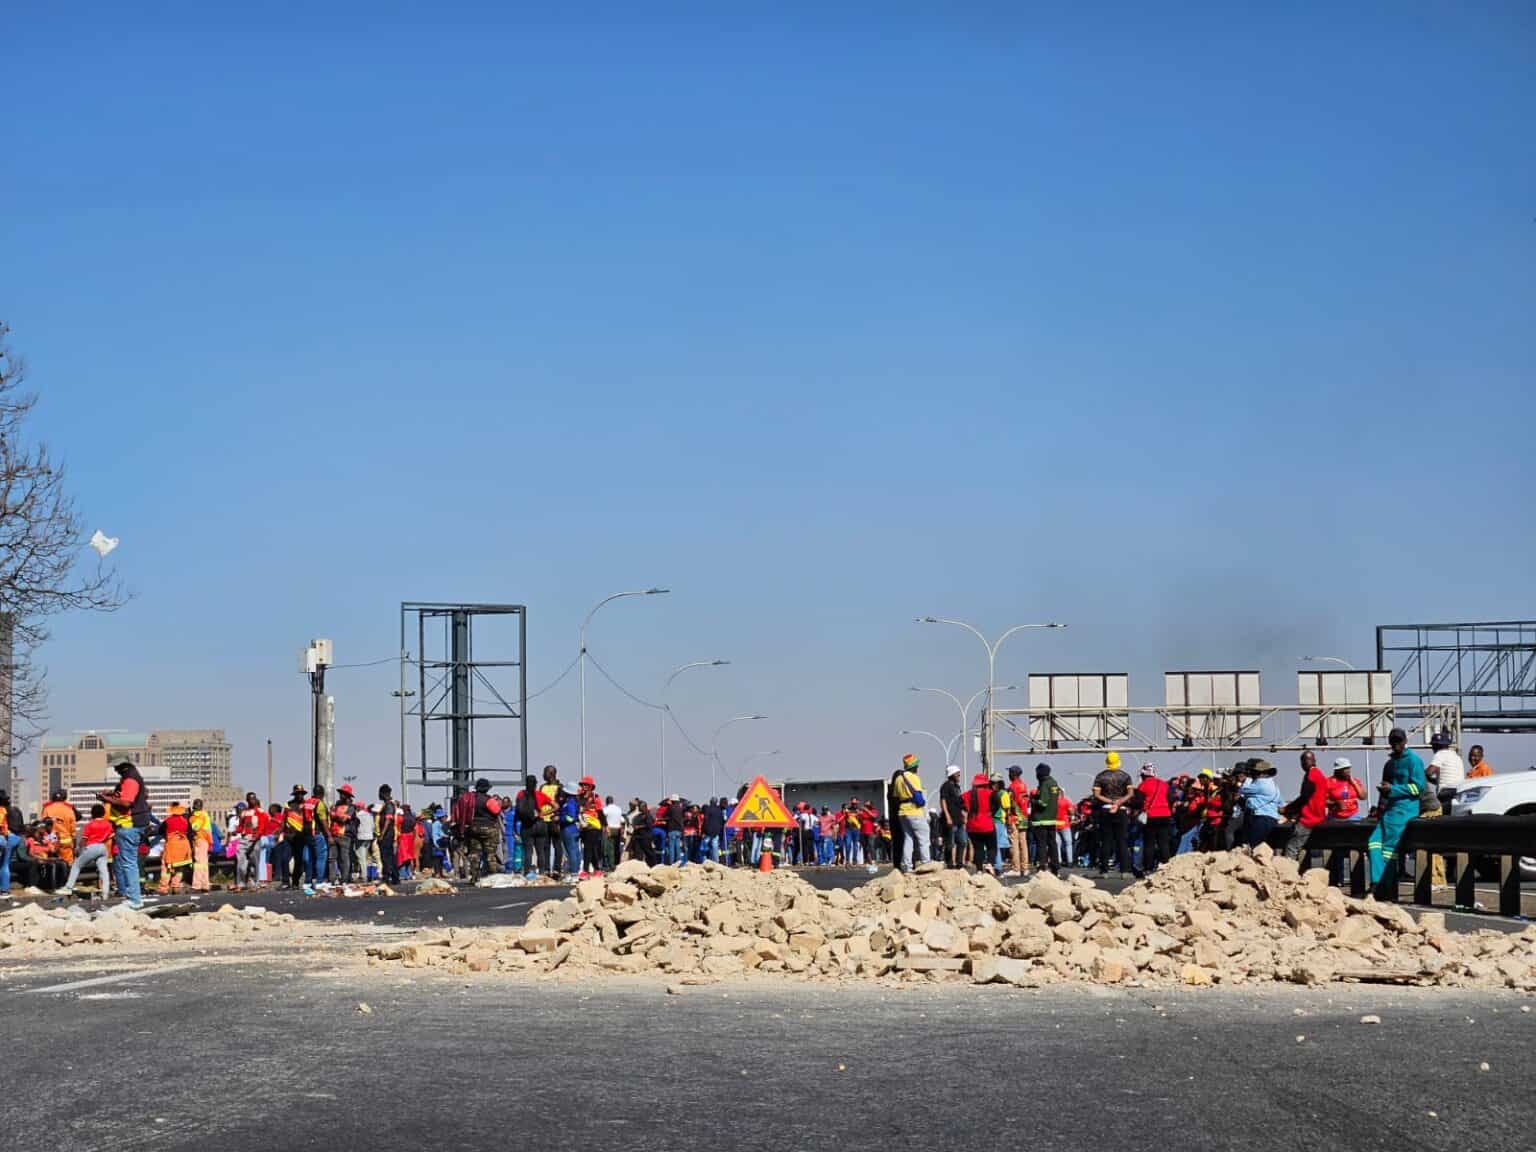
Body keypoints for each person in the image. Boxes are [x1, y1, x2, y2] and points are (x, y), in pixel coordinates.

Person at [1367, 728, 1427, 898]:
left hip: (1405, 809)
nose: (1396, 744)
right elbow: (1384, 788)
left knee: (1388, 850)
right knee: (1373, 843)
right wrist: (1380, 806)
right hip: (1389, 810)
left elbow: (1418, 787)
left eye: (1399, 741)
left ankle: (1382, 887)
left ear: (1405, 741)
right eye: (1393, 741)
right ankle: (1378, 882)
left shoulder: (1414, 761)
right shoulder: (1390, 763)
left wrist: (1394, 789)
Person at [97, 760, 152, 910]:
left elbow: (126, 802)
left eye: (117, 768)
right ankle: (134, 896)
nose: (115, 771)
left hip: (128, 825)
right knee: (130, 862)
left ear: (123, 767)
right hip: (133, 825)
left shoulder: (130, 780)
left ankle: (134, 899)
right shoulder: (132, 778)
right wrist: (113, 794)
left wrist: (106, 799)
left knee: (128, 863)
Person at [1282, 751, 1331, 863]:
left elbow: (1305, 797)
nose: (1303, 763)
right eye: (1303, 761)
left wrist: (1287, 808)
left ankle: (1288, 874)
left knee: (1291, 848)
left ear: (1313, 761)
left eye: (1305, 760)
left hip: (1308, 818)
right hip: (1318, 816)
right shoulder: (1319, 774)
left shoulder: (1311, 775)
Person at [1091, 751, 1135, 877]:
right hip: (1121, 810)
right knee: (1122, 840)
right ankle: (1125, 871)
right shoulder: (1125, 776)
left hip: (1105, 810)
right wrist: (1119, 802)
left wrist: (1110, 801)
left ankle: (1104, 870)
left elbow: (1097, 795)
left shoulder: (1100, 777)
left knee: (1106, 841)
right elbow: (1131, 793)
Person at [57, 803, 115, 899]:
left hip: (91, 847)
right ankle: (105, 892)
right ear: (103, 813)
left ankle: (68, 887)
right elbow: (112, 835)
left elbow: (84, 840)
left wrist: (78, 849)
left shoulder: (90, 825)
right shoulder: (108, 824)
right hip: (103, 847)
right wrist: (103, 839)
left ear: (92, 814)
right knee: (103, 871)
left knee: (76, 865)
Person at [891, 754, 929, 873]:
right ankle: (926, 863)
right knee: (923, 838)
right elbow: (918, 794)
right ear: (914, 766)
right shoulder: (913, 777)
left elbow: (896, 796)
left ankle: (907, 867)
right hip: (914, 811)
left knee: (908, 838)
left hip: (902, 811)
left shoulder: (898, 779)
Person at [1134, 763, 1174, 872]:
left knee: (1149, 843)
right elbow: (1171, 798)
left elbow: (1137, 802)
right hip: (1165, 815)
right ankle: (1166, 866)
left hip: (1151, 816)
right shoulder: (1164, 784)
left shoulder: (1143, 785)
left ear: (1143, 775)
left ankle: (1148, 868)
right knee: (1164, 843)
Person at [1238, 759, 1282, 848]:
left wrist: (1247, 779)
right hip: (1271, 818)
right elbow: (1280, 802)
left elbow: (1243, 790)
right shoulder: (1274, 785)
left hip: (1261, 818)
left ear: (1260, 773)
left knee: (1253, 845)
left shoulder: (1261, 782)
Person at [1029, 763, 1063, 874]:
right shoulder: (1054, 783)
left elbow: (1043, 802)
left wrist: (1033, 800)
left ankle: (1042, 866)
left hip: (1041, 820)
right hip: (1051, 819)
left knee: (1041, 844)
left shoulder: (1044, 784)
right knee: (1052, 843)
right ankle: (1055, 867)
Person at [962, 772, 997, 875]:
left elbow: (959, 802)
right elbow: (997, 802)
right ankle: (990, 863)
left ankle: (979, 870)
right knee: (992, 846)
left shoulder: (968, 794)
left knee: (978, 848)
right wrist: (992, 812)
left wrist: (967, 810)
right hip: (987, 824)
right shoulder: (990, 793)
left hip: (972, 825)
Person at [158, 802, 193, 894]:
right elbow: (190, 832)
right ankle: (176, 886)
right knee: (179, 867)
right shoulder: (185, 821)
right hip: (183, 845)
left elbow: (160, 830)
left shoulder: (168, 821)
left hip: (172, 845)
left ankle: (163, 888)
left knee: (166, 867)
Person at [232, 794, 264, 891]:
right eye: (250, 799)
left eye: (253, 799)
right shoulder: (244, 812)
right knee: (241, 861)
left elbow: (262, 826)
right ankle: (241, 883)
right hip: (244, 837)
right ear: (247, 800)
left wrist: (256, 836)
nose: (252, 801)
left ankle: (255, 883)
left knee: (254, 862)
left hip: (255, 838)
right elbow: (241, 826)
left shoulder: (260, 812)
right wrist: (236, 831)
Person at [939, 765, 967, 869]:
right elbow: (943, 801)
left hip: (958, 819)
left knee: (962, 841)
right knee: (950, 843)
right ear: (951, 774)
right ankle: (949, 863)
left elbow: (960, 803)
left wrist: (964, 814)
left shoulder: (957, 787)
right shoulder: (946, 786)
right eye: (957, 773)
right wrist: (947, 816)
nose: (959, 775)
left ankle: (959, 863)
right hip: (950, 819)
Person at [1005, 765, 1031, 876]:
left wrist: (1007, 817)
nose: (1008, 775)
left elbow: (1009, 804)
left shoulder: (1012, 787)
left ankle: (1016, 868)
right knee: (1023, 843)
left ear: (1013, 774)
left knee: (1014, 843)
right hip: (1024, 817)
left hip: (1015, 817)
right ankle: (1025, 868)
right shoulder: (1024, 786)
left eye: (1010, 772)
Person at [577, 777, 605, 877]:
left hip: (593, 826)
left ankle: (585, 870)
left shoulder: (595, 797)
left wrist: (605, 826)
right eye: (582, 784)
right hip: (583, 826)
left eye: (586, 785)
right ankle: (597, 869)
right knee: (591, 849)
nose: (583, 786)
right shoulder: (579, 797)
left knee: (588, 848)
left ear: (590, 787)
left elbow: (600, 813)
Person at [41, 791, 77, 867]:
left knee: (51, 865)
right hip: (66, 841)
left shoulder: (47, 809)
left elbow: (43, 825)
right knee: (68, 865)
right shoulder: (69, 810)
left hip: (51, 842)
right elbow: (73, 828)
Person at [330, 785, 356, 884]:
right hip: (334, 834)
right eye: (340, 793)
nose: (341, 795)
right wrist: (337, 816)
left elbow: (344, 819)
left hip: (345, 835)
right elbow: (332, 815)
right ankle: (332, 879)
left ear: (347, 796)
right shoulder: (337, 805)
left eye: (343, 794)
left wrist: (335, 815)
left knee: (344, 858)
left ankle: (344, 880)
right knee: (332, 859)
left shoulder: (351, 807)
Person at [377, 784, 401, 885]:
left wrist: (382, 835)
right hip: (388, 834)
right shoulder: (388, 805)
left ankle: (387, 877)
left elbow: (387, 820)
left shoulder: (389, 805)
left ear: (383, 794)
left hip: (387, 834)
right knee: (390, 856)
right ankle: (395, 877)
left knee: (386, 856)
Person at [188, 798, 214, 892]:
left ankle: (197, 885)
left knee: (198, 863)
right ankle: (205, 884)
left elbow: (195, 827)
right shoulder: (205, 814)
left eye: (195, 804)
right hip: (205, 840)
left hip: (200, 839)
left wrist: (190, 818)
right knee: (203, 863)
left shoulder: (198, 815)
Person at [352, 800, 376, 880]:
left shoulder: (357, 815)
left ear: (358, 807)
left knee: (361, 858)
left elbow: (355, 827)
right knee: (366, 857)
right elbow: (373, 826)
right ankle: (368, 874)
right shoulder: (370, 815)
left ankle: (364, 876)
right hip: (369, 837)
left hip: (360, 837)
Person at [604, 794, 625, 870]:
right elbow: (622, 820)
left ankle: (611, 865)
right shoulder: (618, 809)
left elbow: (603, 817)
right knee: (617, 847)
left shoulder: (606, 809)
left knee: (609, 848)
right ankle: (617, 863)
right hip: (618, 829)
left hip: (609, 829)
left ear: (607, 801)